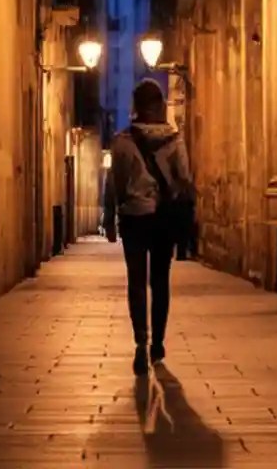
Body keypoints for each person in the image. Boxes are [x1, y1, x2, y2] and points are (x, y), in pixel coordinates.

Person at [102, 79, 195, 375]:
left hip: (133, 217)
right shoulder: (174, 141)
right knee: (160, 281)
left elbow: (114, 184)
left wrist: (110, 218)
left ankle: (140, 342)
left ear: (136, 106)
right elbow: (185, 180)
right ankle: (158, 343)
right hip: (164, 218)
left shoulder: (122, 141)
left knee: (136, 282)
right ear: (159, 105)